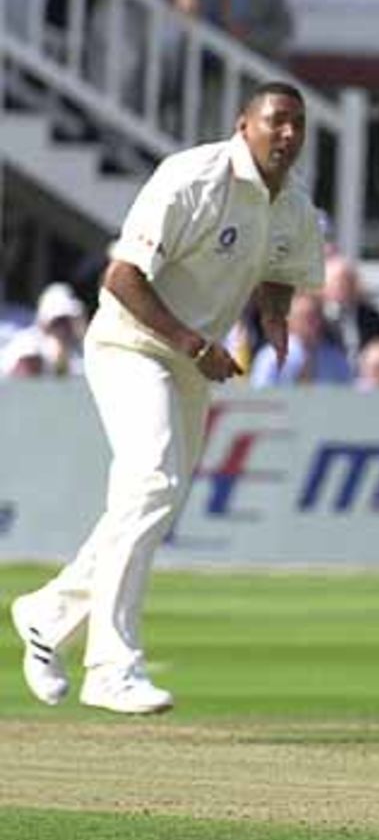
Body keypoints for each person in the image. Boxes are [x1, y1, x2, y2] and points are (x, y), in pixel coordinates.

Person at [9, 82, 322, 714]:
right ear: (244, 124)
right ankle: (110, 666)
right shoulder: (191, 177)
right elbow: (121, 277)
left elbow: (280, 271)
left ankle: (48, 615)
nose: (288, 135)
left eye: (298, 125)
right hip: (131, 345)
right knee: (151, 483)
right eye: (276, 121)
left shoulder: (292, 205)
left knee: (152, 498)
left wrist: (274, 314)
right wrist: (194, 342)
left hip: (189, 364)